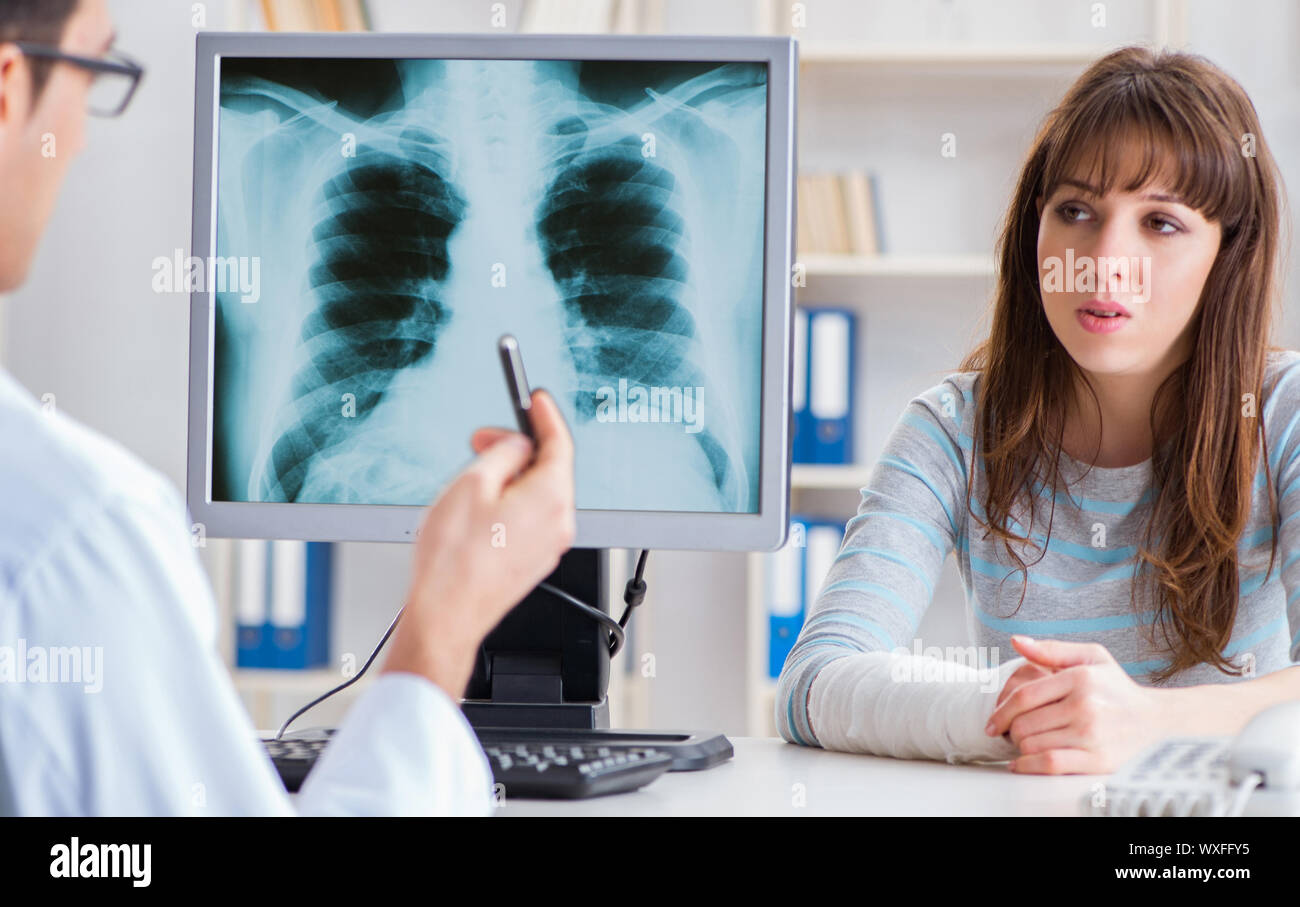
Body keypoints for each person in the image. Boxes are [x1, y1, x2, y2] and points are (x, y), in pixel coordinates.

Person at [0, 0, 575, 815]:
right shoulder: (74, 545)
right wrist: (441, 629)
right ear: (7, 88)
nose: (83, 138)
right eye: (98, 73)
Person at [778, 45, 1300, 774]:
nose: (1103, 258)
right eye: (1077, 211)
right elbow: (811, 682)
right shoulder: (955, 428)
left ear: (1228, 255)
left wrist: (1144, 720)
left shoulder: (1281, 413)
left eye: (1161, 223)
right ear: (1035, 233)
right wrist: (1014, 708)